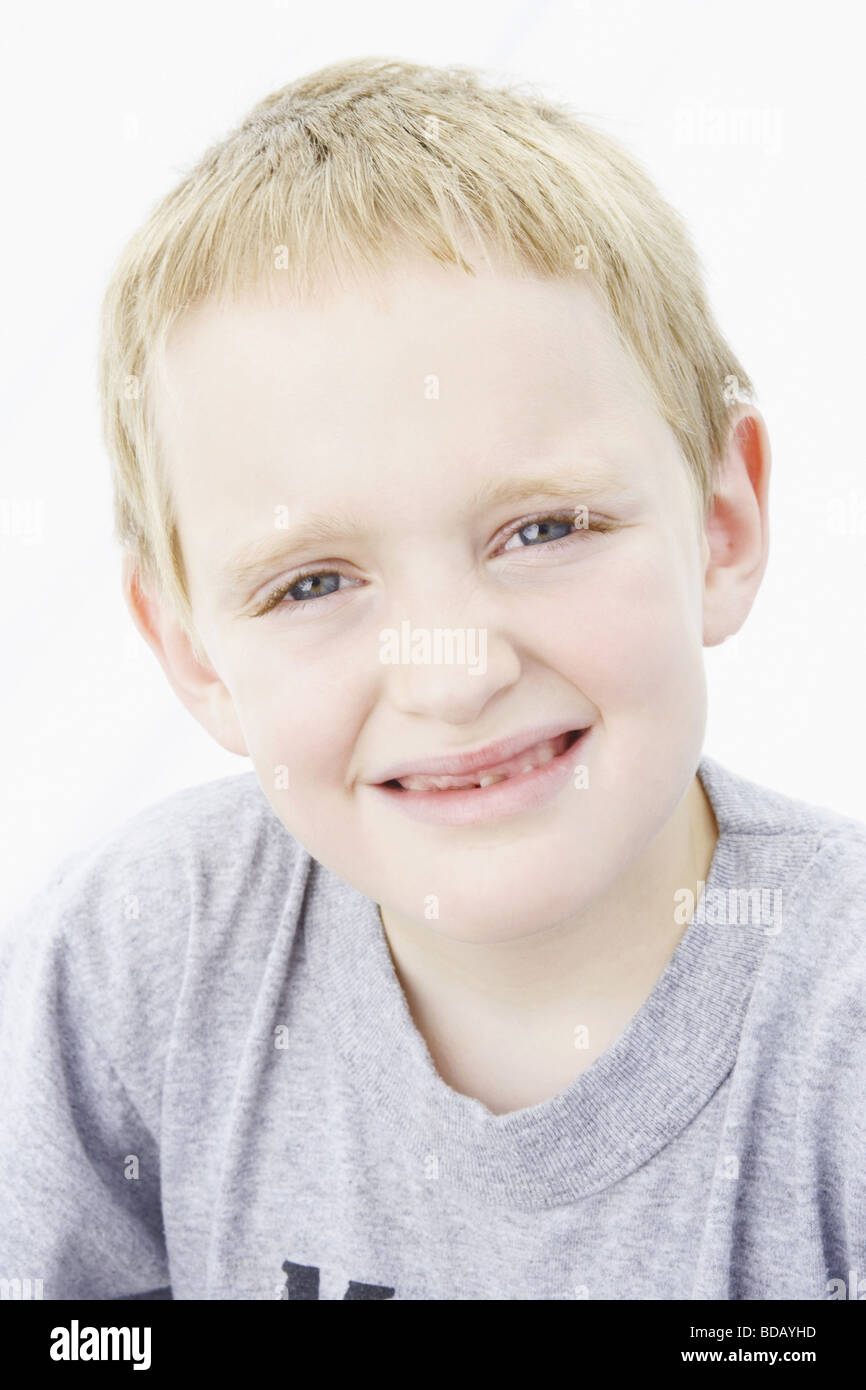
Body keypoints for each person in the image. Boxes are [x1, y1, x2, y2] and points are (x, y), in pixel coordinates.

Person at [1, 57, 863, 1301]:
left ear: (721, 523)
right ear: (193, 654)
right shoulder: (139, 961)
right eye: (312, 584)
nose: (450, 676)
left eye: (544, 529)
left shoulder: (832, 1036)